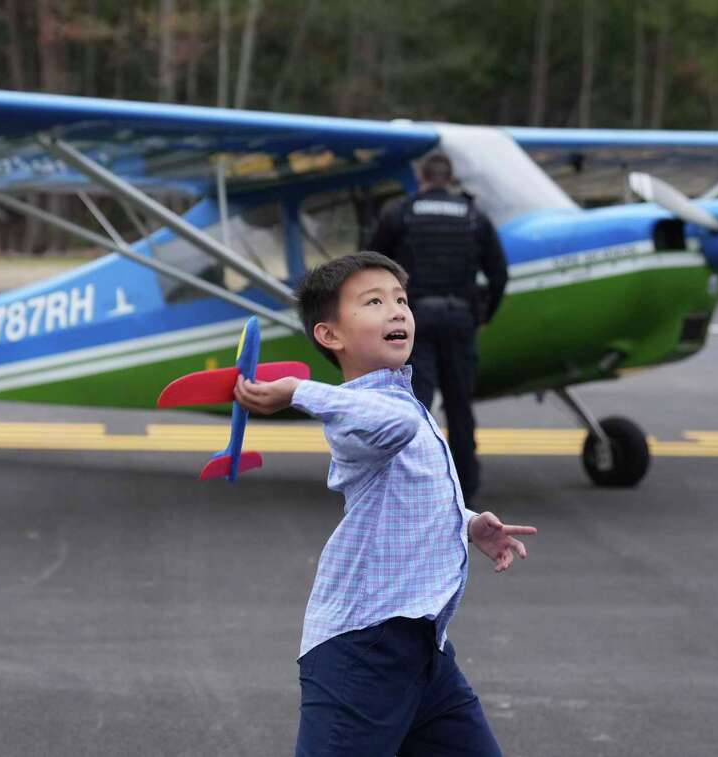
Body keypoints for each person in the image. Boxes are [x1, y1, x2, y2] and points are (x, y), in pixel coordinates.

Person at [234, 251, 536, 757]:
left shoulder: (400, 400)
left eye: (400, 299)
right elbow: (393, 429)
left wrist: (466, 524)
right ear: (330, 335)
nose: (397, 311)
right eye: (373, 302)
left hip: (423, 651)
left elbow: (408, 491)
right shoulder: (355, 418)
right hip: (362, 651)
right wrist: (300, 392)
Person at [368, 154, 508, 505]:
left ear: (421, 177)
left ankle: (411, 487)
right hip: (461, 319)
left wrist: (386, 314)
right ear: (451, 178)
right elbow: (499, 273)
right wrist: (484, 314)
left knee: (417, 405)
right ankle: (467, 495)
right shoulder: (475, 217)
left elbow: (371, 265)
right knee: (460, 407)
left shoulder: (401, 213)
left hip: (417, 321)